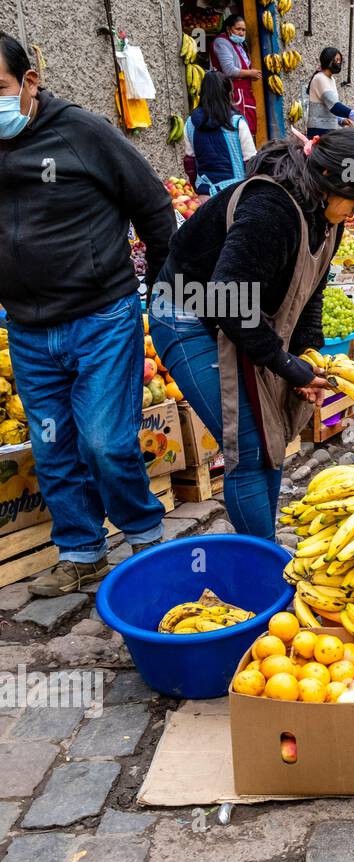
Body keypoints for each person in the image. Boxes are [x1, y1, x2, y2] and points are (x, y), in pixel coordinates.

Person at [150, 129, 354, 541]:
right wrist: (284, 365)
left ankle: (265, 548)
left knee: (271, 440)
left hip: (243, 320)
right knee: (247, 447)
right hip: (189, 315)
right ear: (333, 179)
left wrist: (306, 356)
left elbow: (311, 289)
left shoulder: (325, 214)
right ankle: (262, 565)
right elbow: (228, 299)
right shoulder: (271, 210)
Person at [0, 34, 175, 595]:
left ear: (29, 81)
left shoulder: (82, 132)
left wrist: (165, 285)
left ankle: (145, 536)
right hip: (26, 329)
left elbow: (152, 201)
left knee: (104, 441)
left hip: (101, 317)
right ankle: (81, 551)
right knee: (51, 446)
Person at [184, 70, 257, 196]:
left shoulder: (190, 124)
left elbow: (190, 163)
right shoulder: (236, 123)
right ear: (228, 93)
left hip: (205, 195)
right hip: (235, 195)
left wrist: (198, 190)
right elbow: (251, 163)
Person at [209, 13, 259, 130]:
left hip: (244, 93)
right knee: (238, 128)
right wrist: (250, 73)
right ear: (228, 29)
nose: (241, 33)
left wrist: (250, 75)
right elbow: (229, 70)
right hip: (232, 93)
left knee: (247, 129)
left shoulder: (240, 45)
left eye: (244, 30)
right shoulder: (222, 42)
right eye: (238, 29)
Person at [307, 47, 354, 138]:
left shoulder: (331, 79)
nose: (339, 63)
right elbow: (334, 106)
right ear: (328, 60)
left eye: (340, 60)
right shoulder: (320, 78)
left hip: (328, 129)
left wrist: (340, 120)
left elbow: (328, 107)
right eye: (337, 60)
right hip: (318, 130)